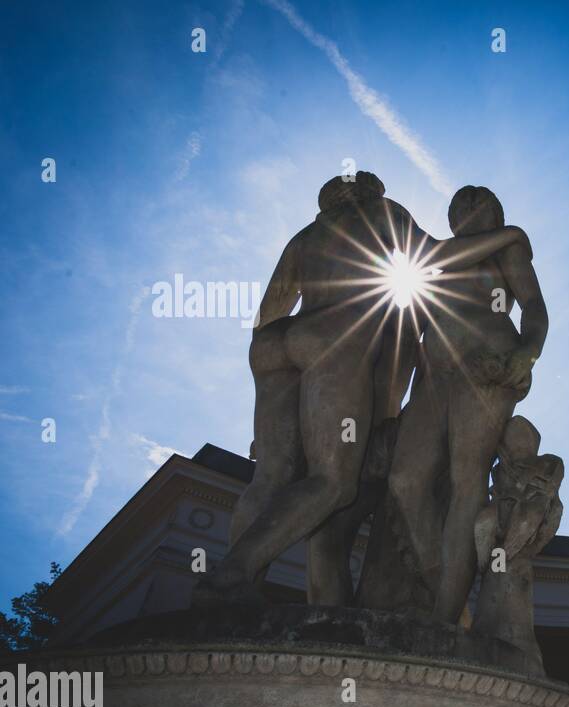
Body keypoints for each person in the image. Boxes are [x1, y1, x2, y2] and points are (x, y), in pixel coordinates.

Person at [194, 172, 530, 605]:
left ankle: (235, 592)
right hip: (332, 335)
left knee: (271, 476)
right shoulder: (382, 214)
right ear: (373, 192)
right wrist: (508, 235)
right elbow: (436, 258)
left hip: (272, 346)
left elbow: (269, 311)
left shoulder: (306, 236)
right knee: (333, 484)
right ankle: (231, 576)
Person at [381, 185, 549, 624]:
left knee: (466, 479)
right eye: (461, 204)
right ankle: (443, 585)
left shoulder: (506, 254)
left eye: (479, 203)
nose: (469, 208)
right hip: (434, 368)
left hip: (486, 356)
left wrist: (527, 351)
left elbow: (533, 306)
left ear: (494, 211)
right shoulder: (453, 251)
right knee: (404, 479)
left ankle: (444, 614)